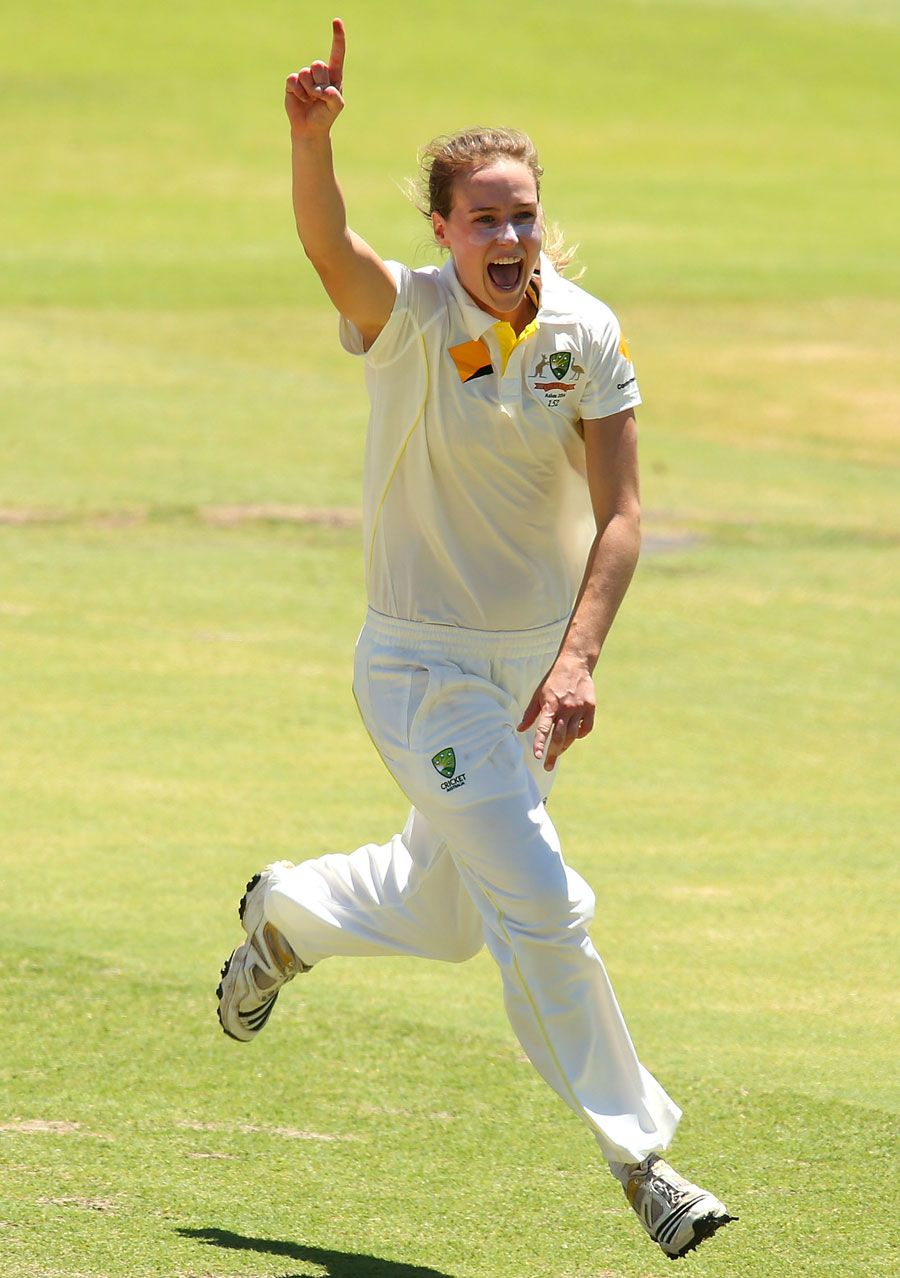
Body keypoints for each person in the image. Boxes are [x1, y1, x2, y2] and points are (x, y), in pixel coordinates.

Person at [216, 18, 735, 1262]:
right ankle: (642, 1160)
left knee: (449, 912)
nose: (509, 240)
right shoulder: (405, 314)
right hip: (417, 669)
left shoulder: (587, 337)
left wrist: (576, 659)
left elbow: (623, 517)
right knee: (541, 903)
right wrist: (308, 143)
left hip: (526, 679)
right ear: (444, 231)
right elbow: (325, 246)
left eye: (524, 217)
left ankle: (283, 917)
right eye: (484, 220)